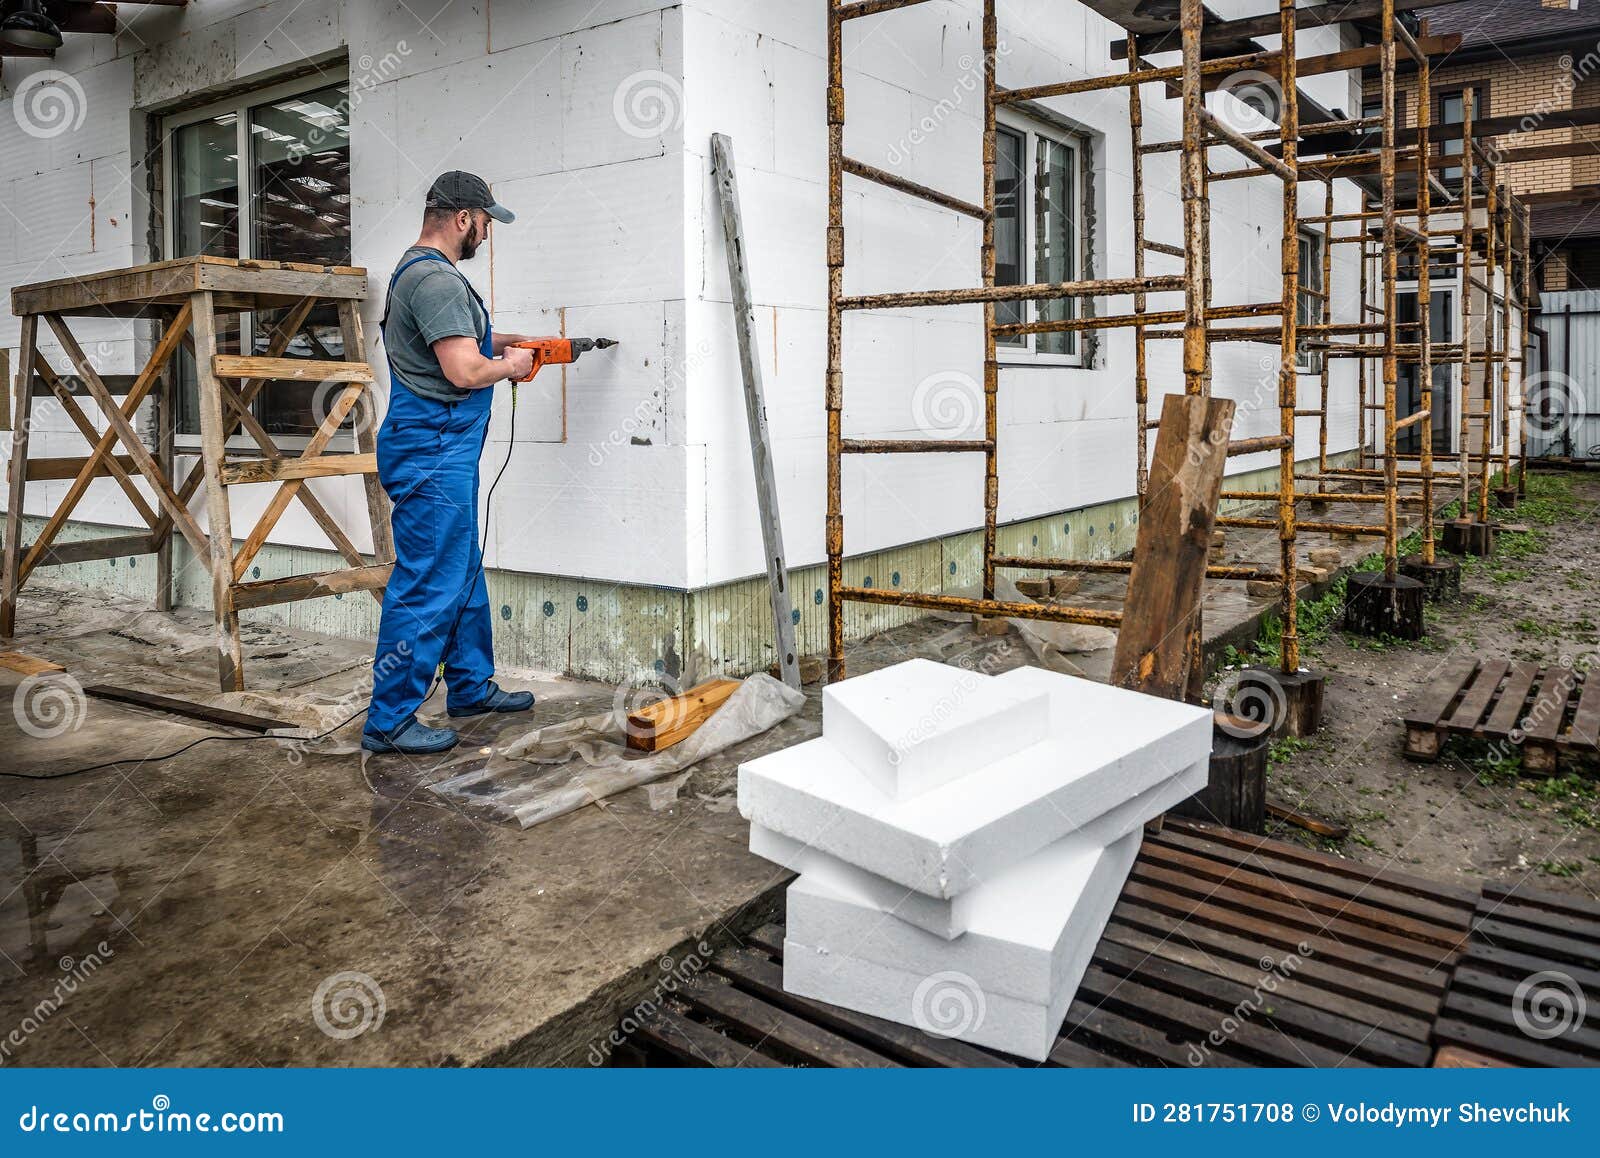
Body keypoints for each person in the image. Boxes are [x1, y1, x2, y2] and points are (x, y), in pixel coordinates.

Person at [362, 171, 539, 755]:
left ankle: (468, 684)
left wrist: (518, 344)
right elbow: (463, 370)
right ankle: (388, 719)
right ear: (464, 218)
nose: (487, 232)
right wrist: (511, 366)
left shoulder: (425, 276)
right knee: (429, 579)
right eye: (486, 222)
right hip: (431, 448)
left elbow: (462, 342)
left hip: (443, 447)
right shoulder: (434, 280)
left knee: (462, 566)